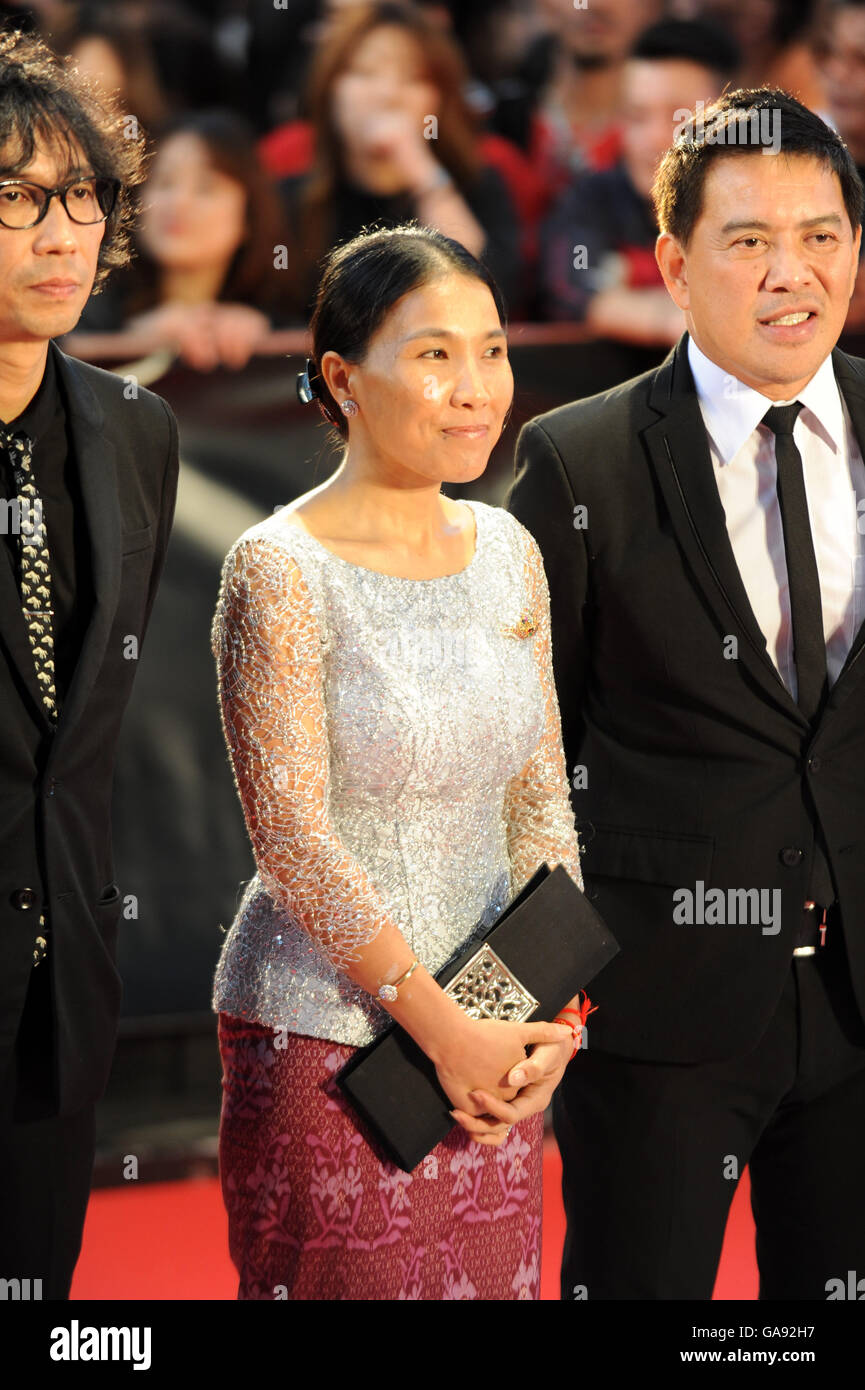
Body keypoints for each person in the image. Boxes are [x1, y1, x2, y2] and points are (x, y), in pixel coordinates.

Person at [508, 87, 865, 1299]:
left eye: (821, 235)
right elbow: (520, 753)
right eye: (749, 239)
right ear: (672, 260)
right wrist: (517, 990)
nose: (792, 273)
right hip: (659, 1010)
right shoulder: (581, 458)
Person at [210, 224, 585, 1300]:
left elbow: (541, 798)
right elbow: (290, 839)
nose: (476, 388)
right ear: (343, 378)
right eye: (433, 355)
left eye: (494, 349)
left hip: (497, 1048)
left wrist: (538, 1016)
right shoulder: (276, 568)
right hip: (325, 1041)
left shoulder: (508, 549)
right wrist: (444, 1029)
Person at [0, 30, 179, 1298]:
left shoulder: (136, 433)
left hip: (56, 1001)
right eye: (13, 199)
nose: (60, 234)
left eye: (81, 198)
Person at [275, 1, 522, 318]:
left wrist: (422, 171)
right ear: (331, 89)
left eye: (413, 78)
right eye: (365, 72)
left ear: (439, 99)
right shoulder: (290, 201)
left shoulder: (478, 188)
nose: (388, 94)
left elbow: (480, 300)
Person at [539, 17, 740, 339]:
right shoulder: (591, 197)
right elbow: (572, 288)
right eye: (637, 116)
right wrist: (681, 320)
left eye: (679, 117)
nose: (654, 138)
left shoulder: (765, 203)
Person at [70, 109, 292, 370]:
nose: (179, 203)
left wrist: (266, 333)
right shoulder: (83, 303)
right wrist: (128, 341)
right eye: (164, 182)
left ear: (248, 216)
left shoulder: (282, 321)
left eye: (205, 188)